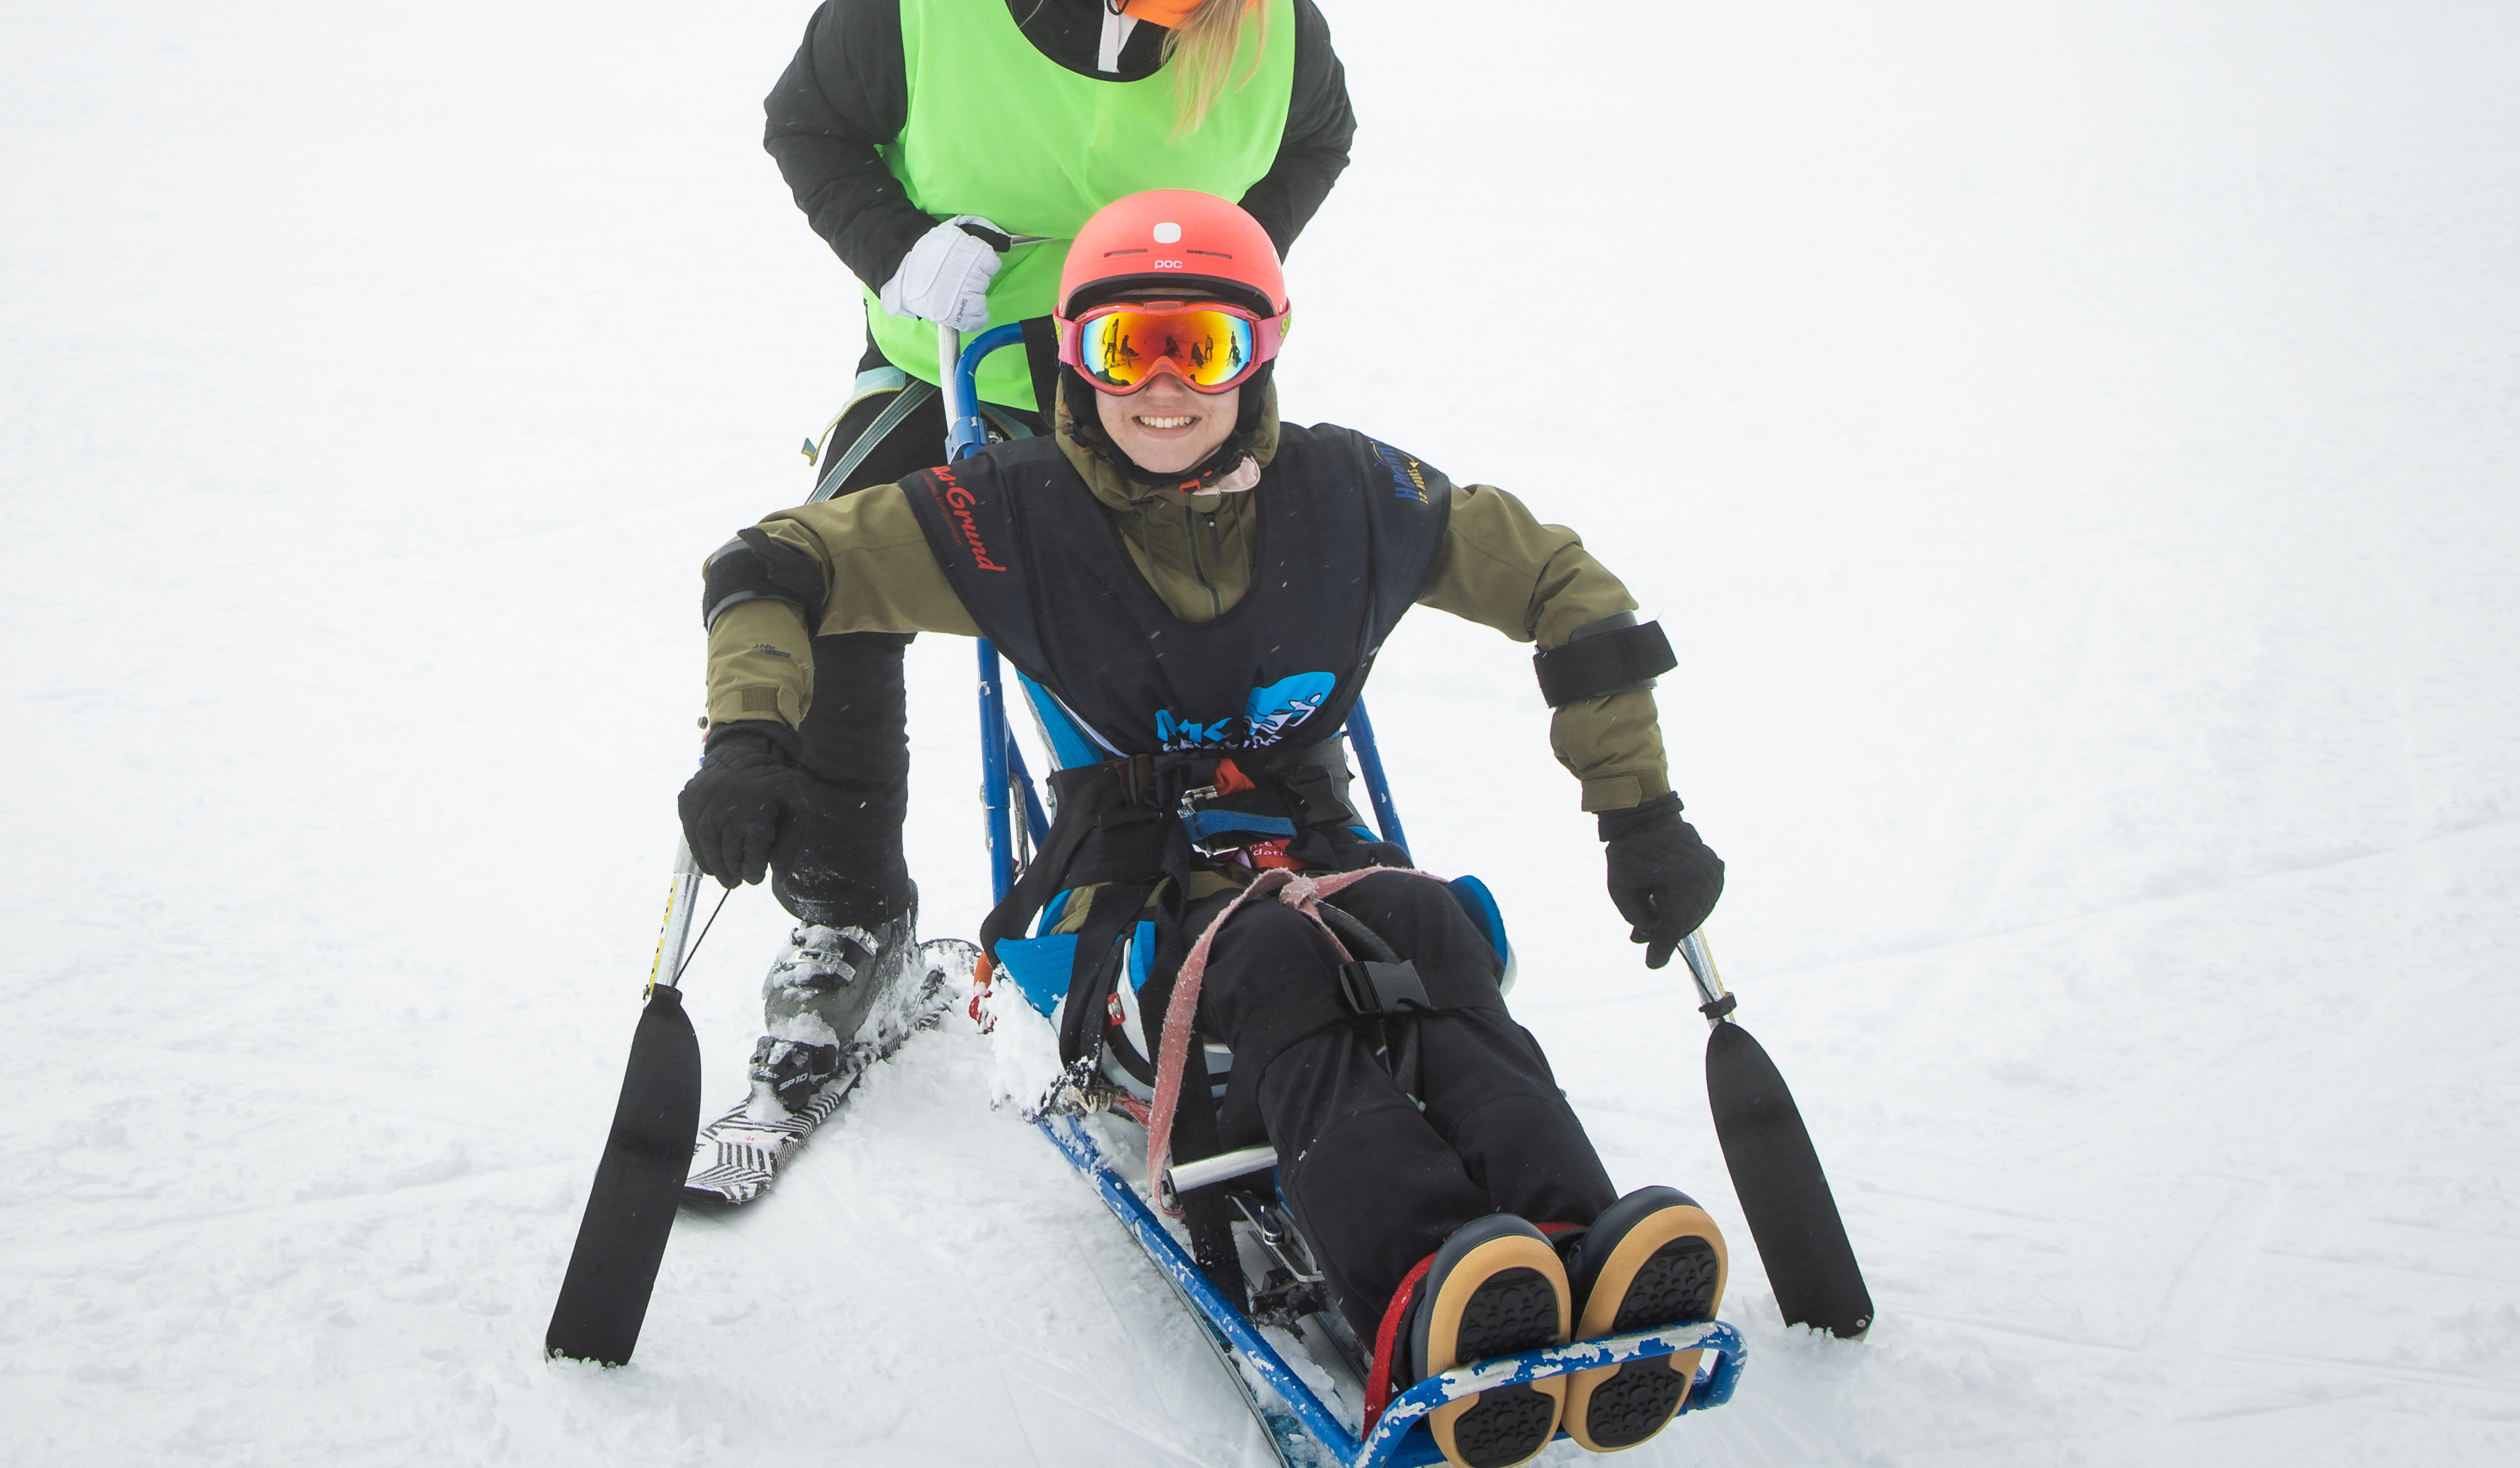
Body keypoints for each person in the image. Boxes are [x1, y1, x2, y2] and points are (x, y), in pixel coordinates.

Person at [679, 190, 1734, 1468]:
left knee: (1427, 924)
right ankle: (1420, 1286)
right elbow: (774, 562)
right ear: (1077, 360)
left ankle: (1583, 1246)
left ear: (1262, 358)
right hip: (1135, 913)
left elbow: (1564, 583)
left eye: (1206, 347)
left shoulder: (1351, 493)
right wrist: (750, 737)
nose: (1167, 388)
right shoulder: (1005, 513)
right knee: (1282, 968)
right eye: (1130, 350)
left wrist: (1642, 811)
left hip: (1322, 856)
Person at [738, 0, 1358, 1118]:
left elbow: (1319, 138)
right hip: (944, 355)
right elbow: (804, 121)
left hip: (1154, 371)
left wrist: (1227, 272)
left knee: (1248, 575)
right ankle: (850, 918)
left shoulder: (1270, 19)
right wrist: (899, 248)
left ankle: (1294, 869)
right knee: (843, 576)